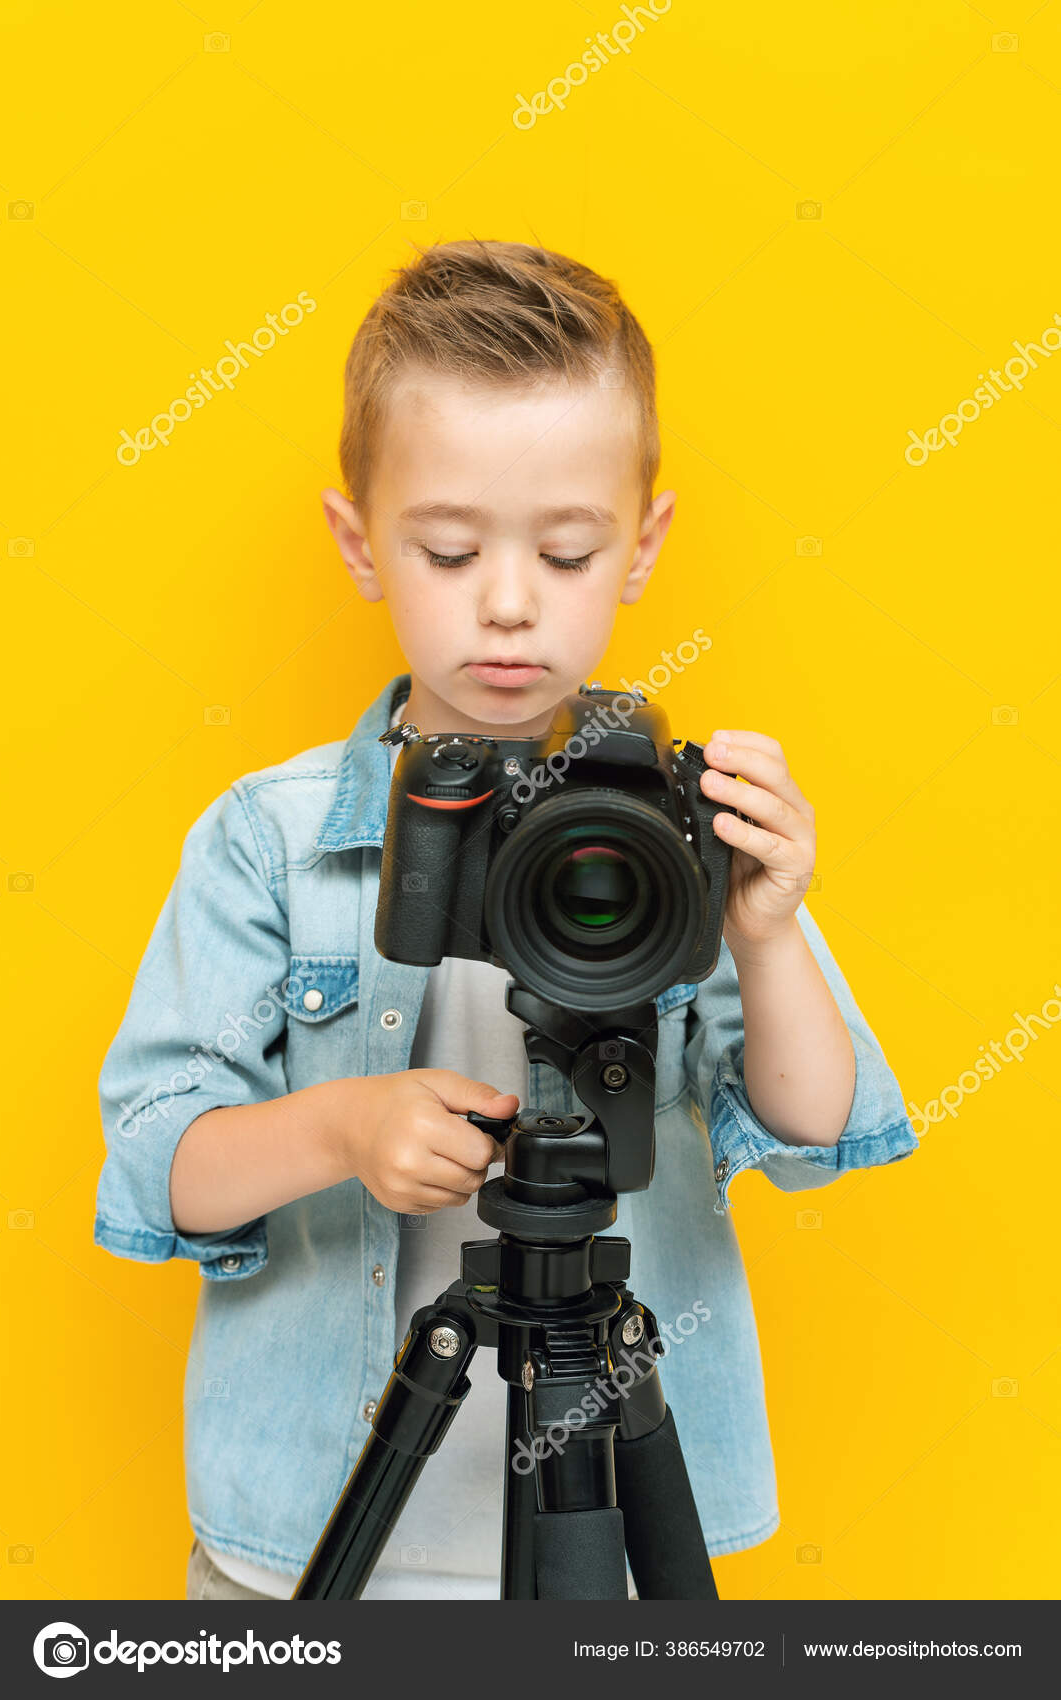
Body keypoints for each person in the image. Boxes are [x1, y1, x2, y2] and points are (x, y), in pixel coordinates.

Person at [94, 239, 919, 1603]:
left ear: (641, 547)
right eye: (451, 548)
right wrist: (344, 1127)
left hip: (616, 1525)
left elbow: (818, 1125)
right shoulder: (273, 838)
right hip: (305, 1525)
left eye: (567, 548)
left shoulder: (679, 825)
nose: (510, 600)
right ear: (361, 545)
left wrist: (765, 927)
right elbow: (151, 1163)